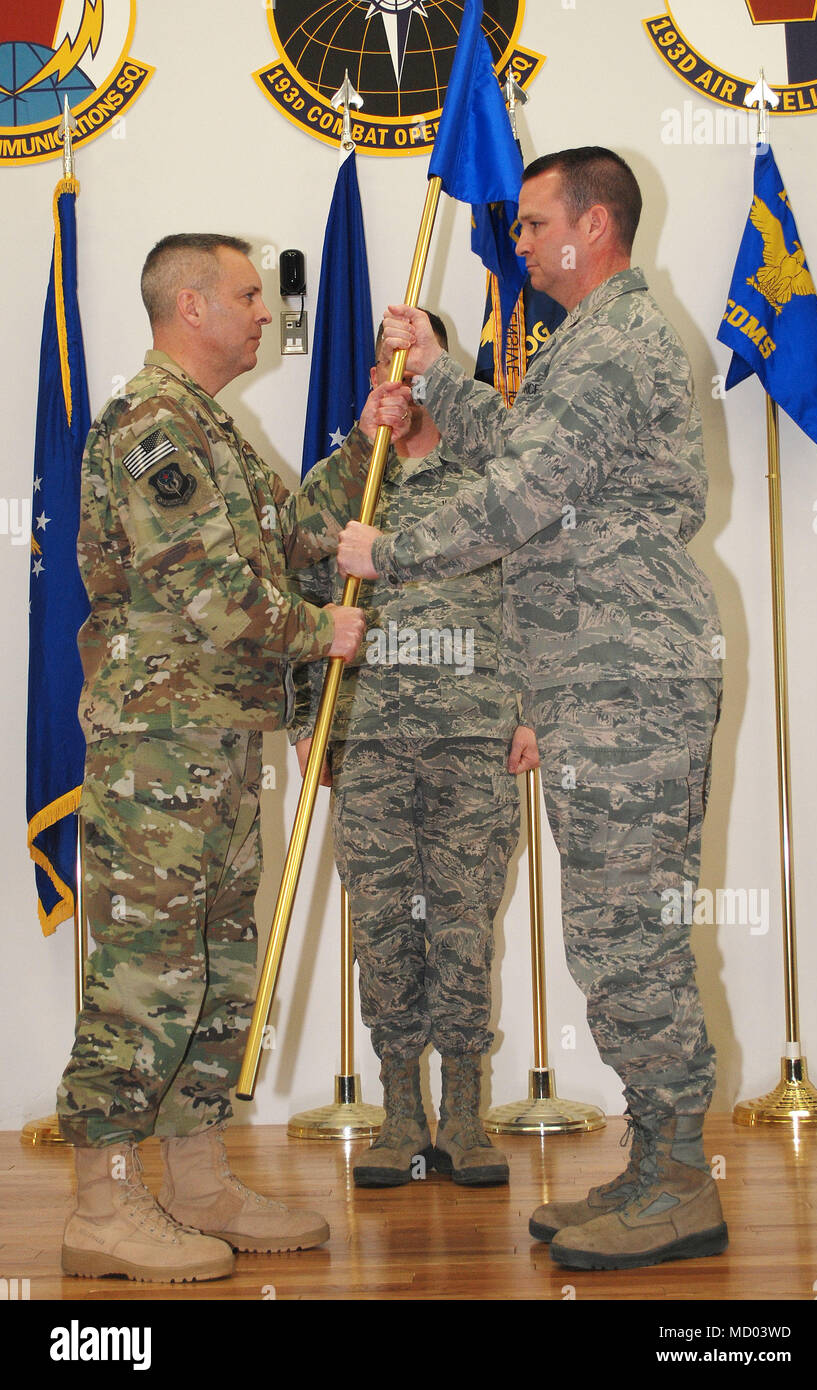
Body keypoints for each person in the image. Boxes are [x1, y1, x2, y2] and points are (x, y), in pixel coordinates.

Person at [337, 149, 727, 1271]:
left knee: (629, 935)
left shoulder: (613, 344)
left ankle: (678, 1182)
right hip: (600, 684)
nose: (519, 242)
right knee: (618, 930)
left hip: (626, 684)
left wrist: (391, 548)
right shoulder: (588, 343)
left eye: (534, 223)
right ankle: (659, 1163)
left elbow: (517, 497)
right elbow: (519, 446)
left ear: (593, 227)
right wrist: (439, 374)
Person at [57, 233, 371, 1284]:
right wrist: (317, 631)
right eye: (245, 294)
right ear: (191, 306)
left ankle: (196, 1178)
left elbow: (288, 537)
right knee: (144, 974)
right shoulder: (151, 425)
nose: (263, 312)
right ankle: (102, 1201)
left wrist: (369, 438)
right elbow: (210, 590)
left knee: (218, 970)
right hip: (161, 750)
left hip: (219, 744)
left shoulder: (212, 431)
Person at [291, 315, 539, 1188]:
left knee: (466, 927)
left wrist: (533, 708)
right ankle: (401, 1112)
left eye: (414, 366)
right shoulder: (342, 485)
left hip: (475, 737)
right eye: (384, 369)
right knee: (386, 929)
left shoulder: (488, 477)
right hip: (367, 742)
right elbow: (296, 589)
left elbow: (535, 596)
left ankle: (464, 1113)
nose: (398, 384)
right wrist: (302, 726)